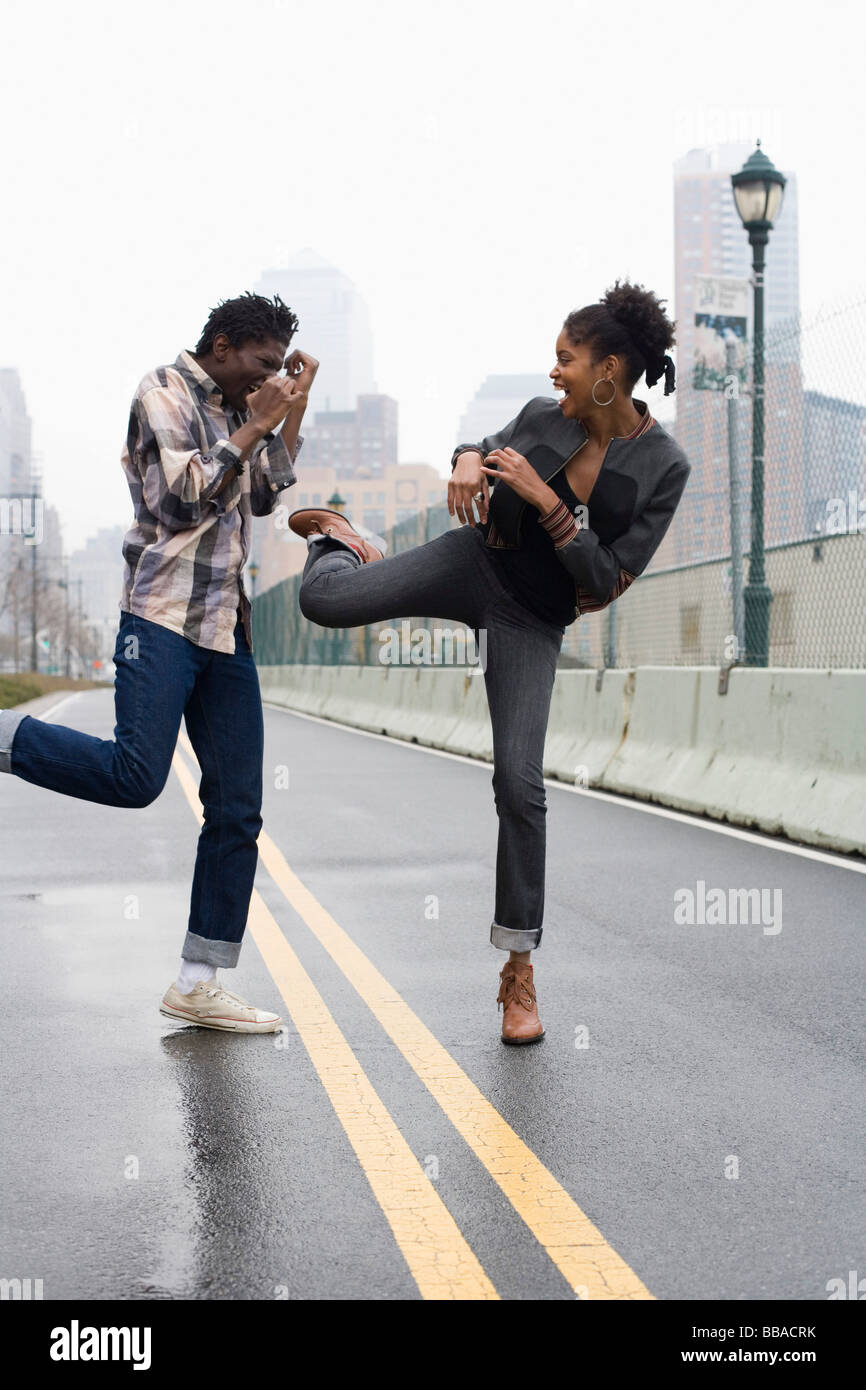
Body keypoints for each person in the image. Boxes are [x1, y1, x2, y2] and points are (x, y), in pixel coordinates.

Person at [289, 279, 691, 1045]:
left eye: (566, 358)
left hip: (532, 619)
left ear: (609, 369)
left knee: (519, 782)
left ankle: (518, 970)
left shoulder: (664, 468)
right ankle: (342, 542)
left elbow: (607, 580)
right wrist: (470, 459)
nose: (554, 372)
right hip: (472, 560)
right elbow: (481, 444)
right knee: (324, 604)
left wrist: (548, 503)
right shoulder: (543, 415)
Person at [0, 292, 318, 1033]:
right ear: (223, 344)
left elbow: (265, 493)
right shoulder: (163, 391)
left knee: (239, 807)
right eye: (262, 365)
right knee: (137, 776)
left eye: (280, 368)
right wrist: (260, 418)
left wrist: (288, 411)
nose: (268, 377)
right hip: (161, 615)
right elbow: (182, 496)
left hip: (225, 625)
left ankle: (197, 981)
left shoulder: (251, 409)